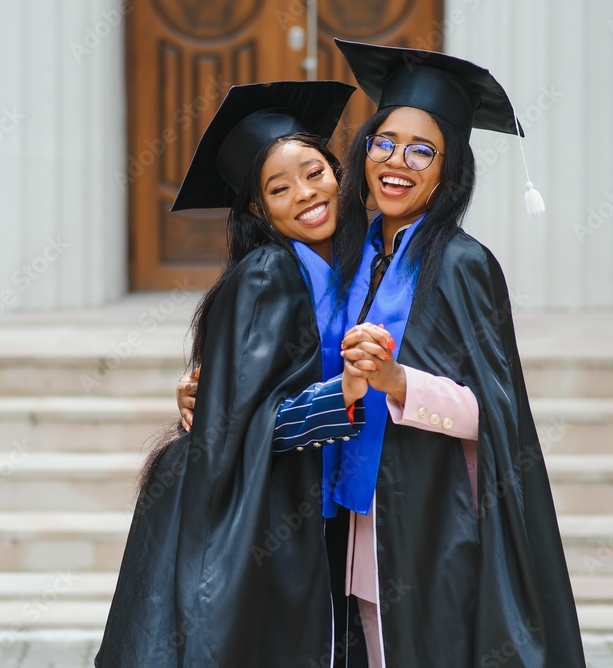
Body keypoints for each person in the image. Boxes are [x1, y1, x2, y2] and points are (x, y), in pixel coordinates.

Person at [95, 80, 378, 668]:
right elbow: (244, 422)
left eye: (314, 172)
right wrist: (342, 398)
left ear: (338, 170)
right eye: (279, 188)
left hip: (327, 503)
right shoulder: (268, 275)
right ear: (258, 209)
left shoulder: (353, 265)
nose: (305, 194)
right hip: (272, 511)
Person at [325, 39, 586, 666]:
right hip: (344, 502)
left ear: (450, 171)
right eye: (385, 143)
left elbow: (493, 415)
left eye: (423, 150)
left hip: (429, 510)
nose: (398, 162)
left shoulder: (464, 265)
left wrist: (396, 380)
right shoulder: (347, 253)